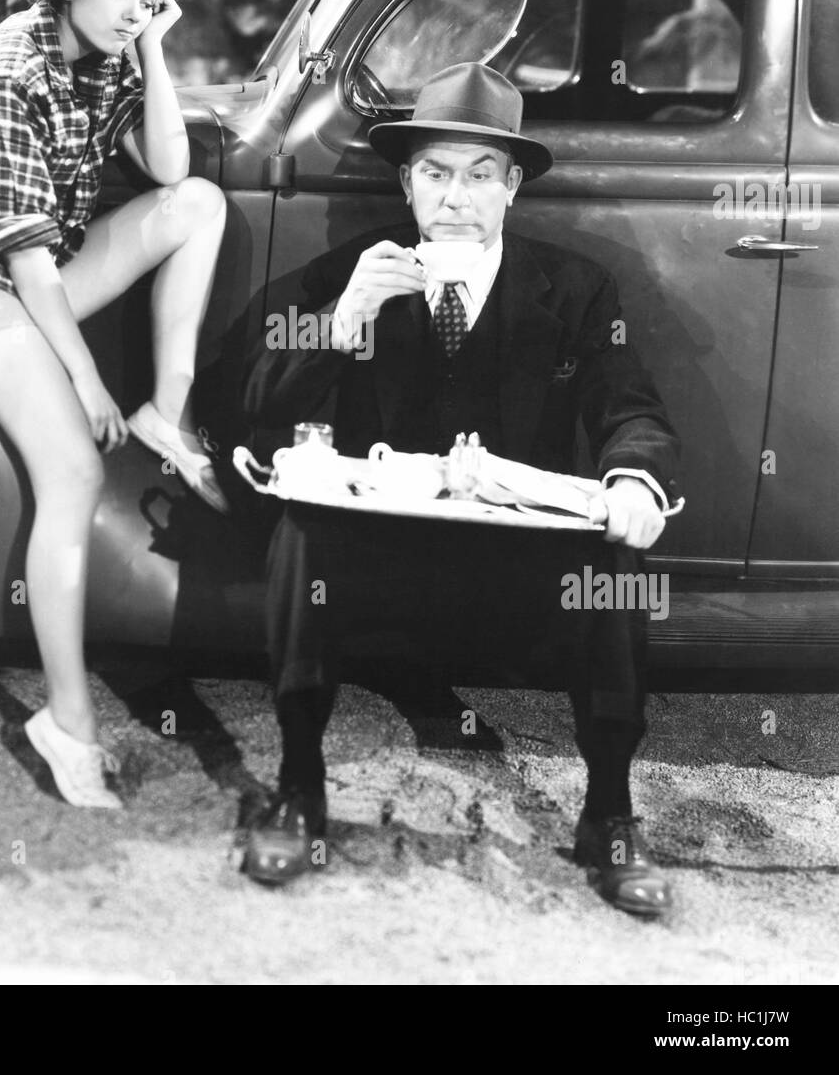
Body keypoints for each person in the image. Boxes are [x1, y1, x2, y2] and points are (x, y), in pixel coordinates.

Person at [242, 62, 682, 915]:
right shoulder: (354, 273)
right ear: (407, 184)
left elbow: (633, 410)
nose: (457, 198)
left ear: (512, 187)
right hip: (384, 550)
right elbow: (259, 405)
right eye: (437, 174)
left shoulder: (577, 290)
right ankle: (299, 789)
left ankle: (610, 816)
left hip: (518, 554)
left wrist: (634, 482)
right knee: (302, 537)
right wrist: (341, 325)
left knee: (619, 570)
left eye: (482, 176)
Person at [0, 0, 228, 809]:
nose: (130, 9)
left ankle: (170, 408)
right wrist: (84, 379)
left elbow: (167, 167)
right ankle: (68, 720)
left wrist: (155, 49)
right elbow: (29, 268)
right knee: (73, 470)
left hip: (30, 280)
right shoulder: (7, 73)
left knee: (197, 204)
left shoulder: (115, 56)